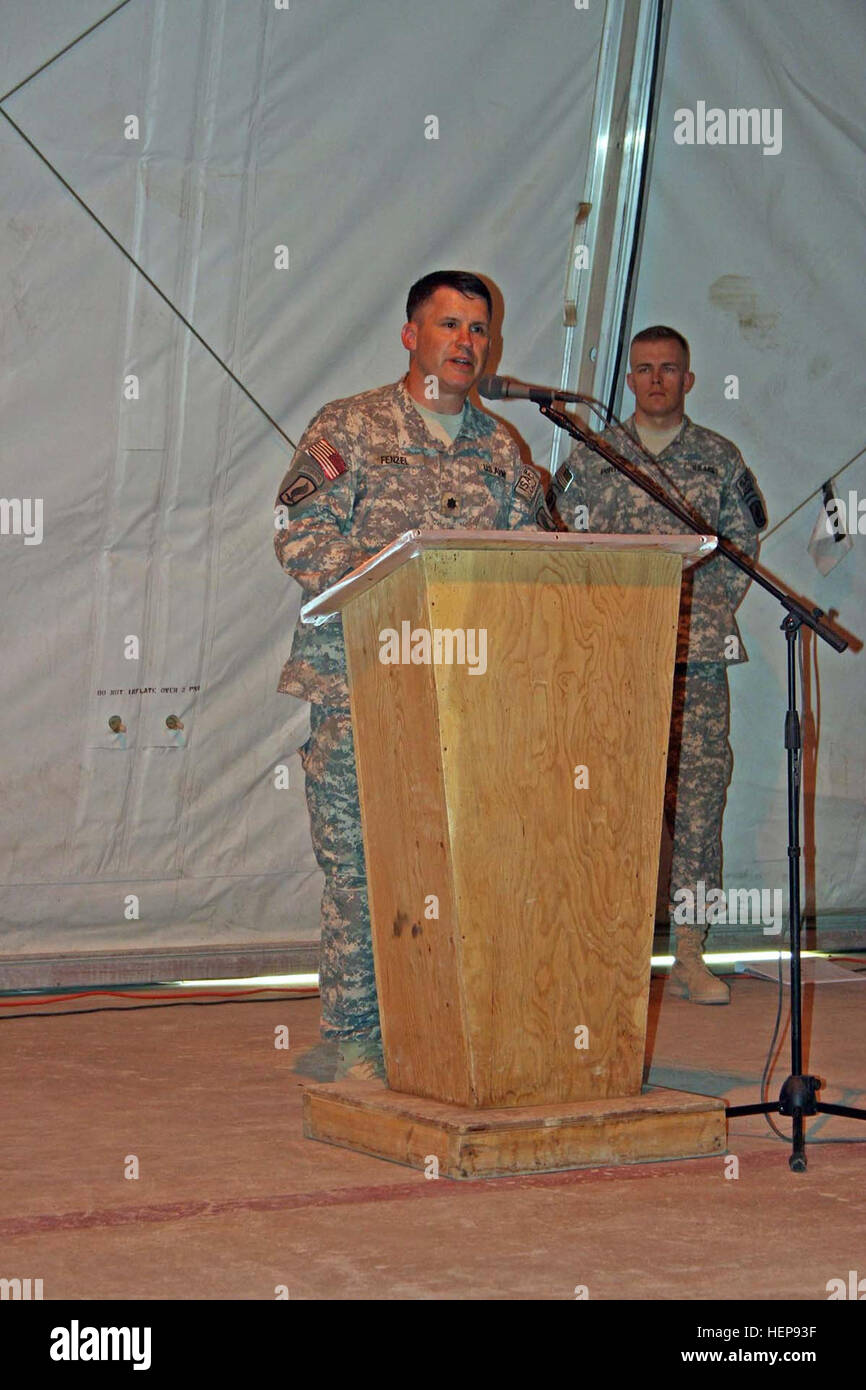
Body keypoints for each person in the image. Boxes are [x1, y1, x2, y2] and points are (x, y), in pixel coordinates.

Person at [273, 270, 553, 1077]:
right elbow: (301, 539)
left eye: (478, 329)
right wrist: (392, 593)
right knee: (362, 866)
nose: (466, 342)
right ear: (410, 335)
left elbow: (537, 562)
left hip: (469, 694)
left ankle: (444, 1031)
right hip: (360, 683)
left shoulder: (503, 448)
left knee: (461, 866)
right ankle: (355, 1040)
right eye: (449, 325)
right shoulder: (351, 427)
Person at [554, 325, 767, 1004]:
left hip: (696, 657)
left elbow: (743, 546)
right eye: (643, 369)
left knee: (700, 803)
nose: (655, 380)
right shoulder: (595, 456)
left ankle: (692, 955)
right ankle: (609, 950)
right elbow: (559, 535)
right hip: (614, 658)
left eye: (668, 369)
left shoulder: (718, 458)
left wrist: (697, 609)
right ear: (628, 380)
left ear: (689, 379)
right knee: (612, 801)